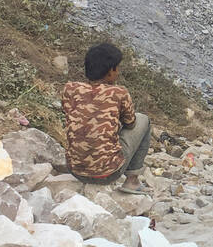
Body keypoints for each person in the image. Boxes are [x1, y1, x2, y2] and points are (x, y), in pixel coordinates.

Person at [61, 42, 152, 192]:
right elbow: (130, 124)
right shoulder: (119, 92)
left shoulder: (70, 89)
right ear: (111, 71)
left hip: (75, 170)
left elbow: (71, 114)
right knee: (143, 120)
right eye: (117, 68)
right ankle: (132, 181)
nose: (118, 72)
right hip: (108, 174)